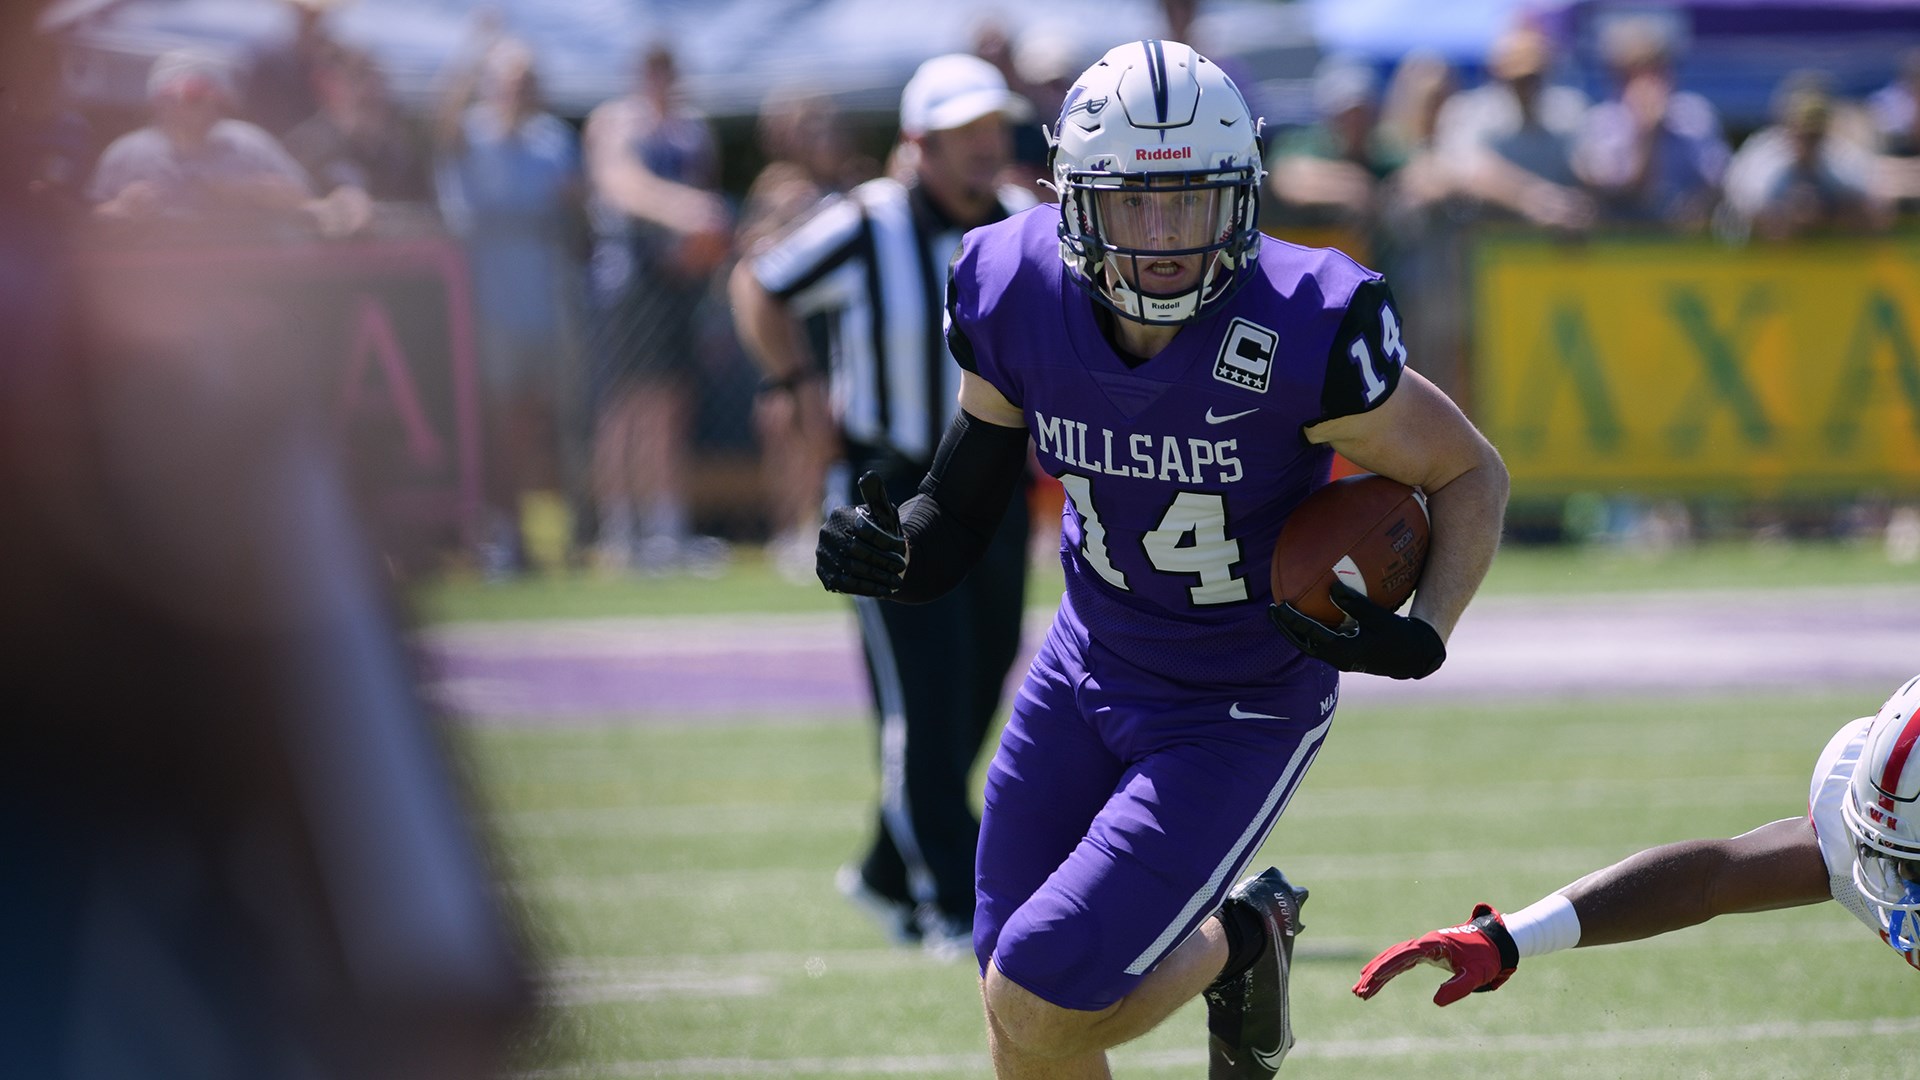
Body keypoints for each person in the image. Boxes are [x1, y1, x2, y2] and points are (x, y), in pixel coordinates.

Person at [811, 40, 1509, 1079]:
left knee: (1035, 991)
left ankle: (1240, 939)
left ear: (1244, 195)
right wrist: (891, 551)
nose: (1167, 236)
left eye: (1193, 200)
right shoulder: (1013, 284)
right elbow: (958, 507)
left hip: (1237, 703)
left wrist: (1429, 630)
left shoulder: (1304, 323)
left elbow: (1468, 472)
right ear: (1073, 199)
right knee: (1012, 991)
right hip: (1085, 662)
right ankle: (1248, 939)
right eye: (1135, 202)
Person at [731, 52, 1039, 956]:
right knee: (924, 696)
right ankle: (951, 898)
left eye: (992, 127)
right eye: (963, 131)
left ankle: (883, 871)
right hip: (889, 487)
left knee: (983, 678)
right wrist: (793, 382)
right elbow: (759, 284)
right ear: (918, 144)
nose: (984, 145)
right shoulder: (867, 222)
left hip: (990, 483)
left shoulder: (1021, 222)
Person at [1354, 672, 1920, 1008]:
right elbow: (1708, 881)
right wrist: (1507, 939)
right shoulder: (1861, 832)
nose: (1895, 880)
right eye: (1888, 857)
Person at [433, 39, 583, 578]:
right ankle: (499, 532)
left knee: (540, 423)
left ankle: (547, 537)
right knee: (495, 423)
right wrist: (474, 51)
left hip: (547, 307)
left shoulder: (554, 141)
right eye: (511, 81)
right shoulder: (467, 133)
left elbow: (573, 210)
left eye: (527, 82)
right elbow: (441, 124)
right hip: (486, 306)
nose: (520, 92)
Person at [584, 41, 732, 574]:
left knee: (670, 405)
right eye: (652, 71)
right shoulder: (616, 122)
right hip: (628, 281)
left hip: (678, 284)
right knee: (623, 407)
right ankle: (620, 531)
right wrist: (685, 210)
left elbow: (707, 198)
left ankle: (666, 529)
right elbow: (620, 184)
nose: (660, 81)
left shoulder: (692, 131)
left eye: (667, 71)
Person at [89, 48, 365, 237]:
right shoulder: (128, 153)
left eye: (212, 96)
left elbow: (307, 200)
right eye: (191, 97)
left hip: (240, 273)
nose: (204, 106)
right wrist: (122, 210)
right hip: (153, 280)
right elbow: (87, 222)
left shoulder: (248, 144)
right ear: (160, 102)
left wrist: (262, 194)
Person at [1433, 25, 1595, 232]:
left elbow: (1587, 168)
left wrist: (1578, 201)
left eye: (1534, 77)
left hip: (1550, 242)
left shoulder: (1569, 109)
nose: (1527, 86)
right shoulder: (1469, 111)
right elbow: (1467, 169)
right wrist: (1533, 199)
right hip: (1484, 236)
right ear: (1499, 75)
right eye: (1519, 79)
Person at [1572, 18, 1728, 231]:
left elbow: (1719, 181)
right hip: (1624, 236)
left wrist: (1698, 208)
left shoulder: (1696, 114)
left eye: (1657, 69)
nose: (1649, 81)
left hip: (1685, 238)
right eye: (1636, 71)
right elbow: (1622, 198)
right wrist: (1647, 134)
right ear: (1618, 77)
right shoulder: (1600, 124)